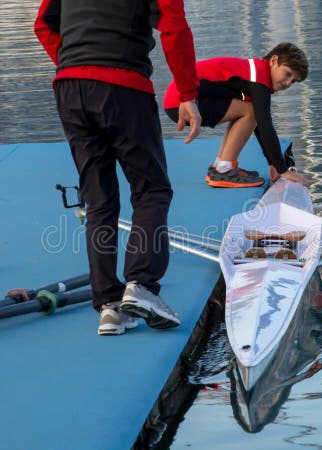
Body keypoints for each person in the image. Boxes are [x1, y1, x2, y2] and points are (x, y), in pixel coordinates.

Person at [34, 0, 202, 336]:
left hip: (69, 86)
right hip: (123, 86)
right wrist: (187, 93)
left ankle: (109, 306)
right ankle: (141, 286)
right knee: (151, 189)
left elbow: (44, 23)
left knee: (99, 200)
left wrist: (74, 63)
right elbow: (173, 27)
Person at [163, 43, 310, 188]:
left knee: (250, 110)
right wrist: (282, 169)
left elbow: (259, 124)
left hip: (181, 99)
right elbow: (265, 125)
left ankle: (221, 166)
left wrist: (272, 162)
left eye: (293, 81)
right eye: (288, 74)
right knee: (251, 111)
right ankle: (224, 170)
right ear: (273, 61)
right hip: (182, 102)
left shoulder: (256, 72)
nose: (288, 83)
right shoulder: (258, 77)